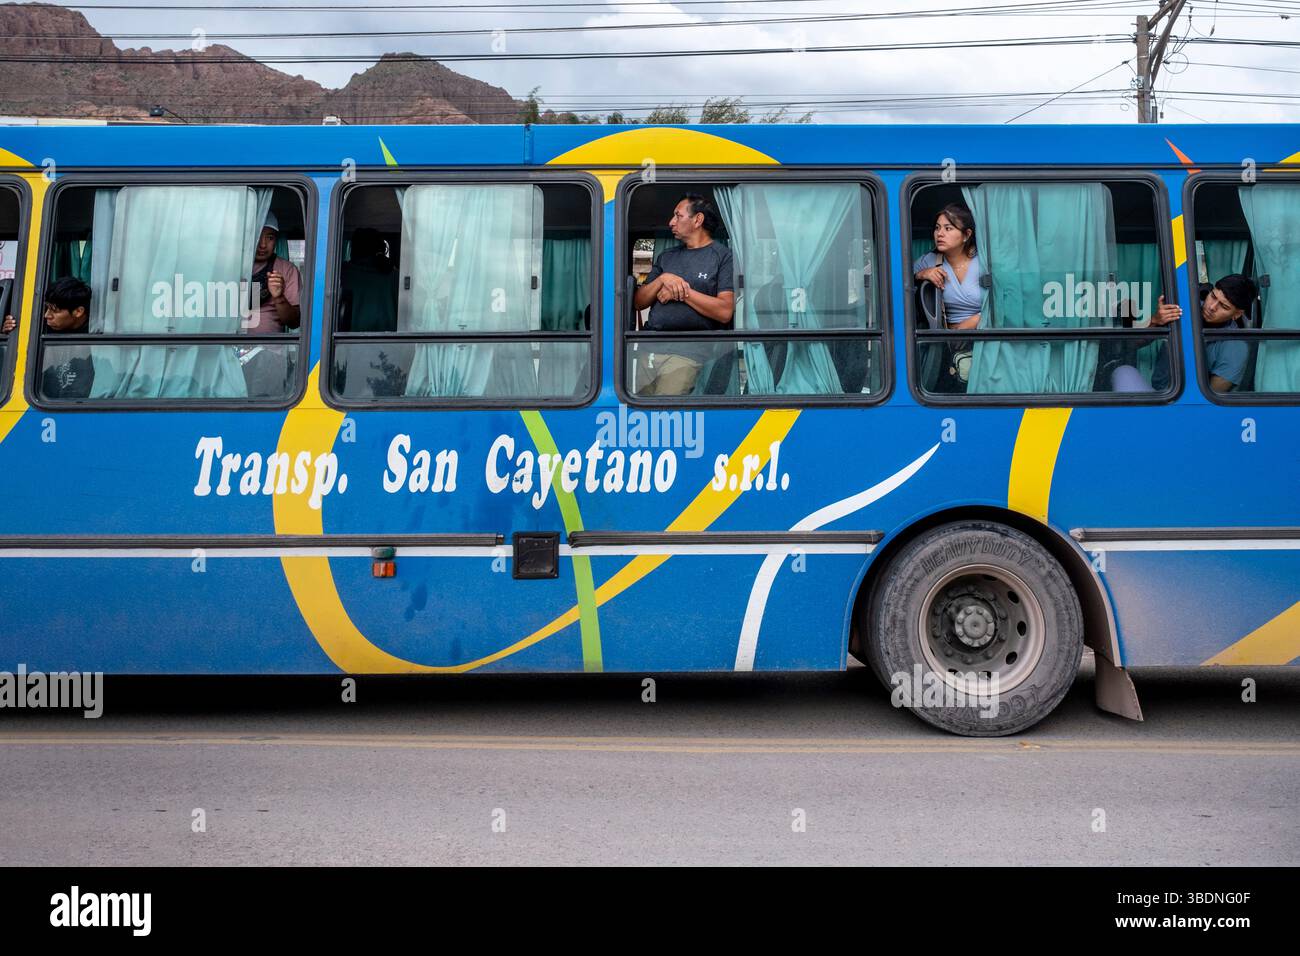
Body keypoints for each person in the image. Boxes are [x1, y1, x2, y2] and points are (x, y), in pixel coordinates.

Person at [632, 194, 735, 396]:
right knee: (641, 415)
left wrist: (682, 292)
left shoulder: (722, 257)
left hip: (687, 353)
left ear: (698, 220)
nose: (671, 222)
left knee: (664, 412)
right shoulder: (666, 257)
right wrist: (664, 279)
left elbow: (724, 311)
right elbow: (638, 302)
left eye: (678, 216)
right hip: (649, 351)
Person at [1136, 274, 1257, 393]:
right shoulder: (1185, 307)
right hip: (1156, 392)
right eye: (1213, 296)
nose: (1212, 307)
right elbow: (1129, 345)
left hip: (1179, 405)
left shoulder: (1235, 348)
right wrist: (1155, 321)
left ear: (1237, 314)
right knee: (1124, 371)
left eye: (1224, 306)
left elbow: (1208, 400)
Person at [913, 203, 983, 331]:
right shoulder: (929, 261)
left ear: (966, 235)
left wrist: (977, 320)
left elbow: (1005, 301)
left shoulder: (983, 262)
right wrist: (920, 274)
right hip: (949, 342)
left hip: (985, 337)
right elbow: (899, 283)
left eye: (948, 228)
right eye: (937, 228)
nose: (939, 234)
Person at [30, 277, 94, 400]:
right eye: (47, 308)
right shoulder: (40, 328)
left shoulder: (95, 340)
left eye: (54, 311)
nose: (46, 315)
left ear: (78, 311)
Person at [245, 211, 301, 334]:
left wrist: (279, 297)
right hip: (227, 348)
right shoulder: (230, 267)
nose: (263, 245)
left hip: (270, 350)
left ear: (276, 240)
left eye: (270, 238)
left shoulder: (287, 270)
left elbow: (294, 322)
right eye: (257, 236)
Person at [339, 227, 398, 332]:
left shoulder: (340, 273)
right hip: (389, 343)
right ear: (381, 249)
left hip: (346, 343)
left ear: (353, 250)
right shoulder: (395, 277)